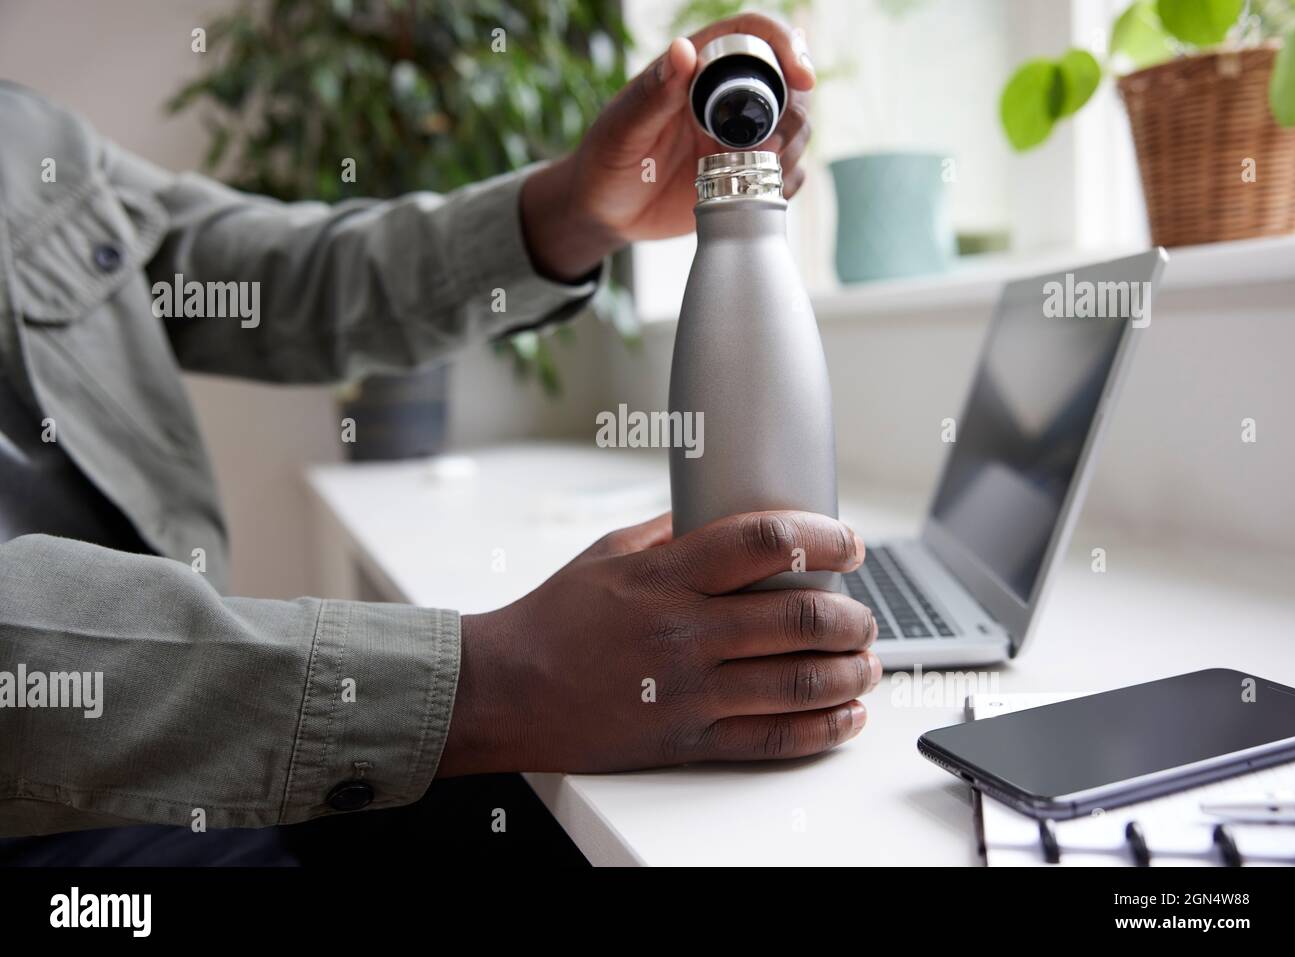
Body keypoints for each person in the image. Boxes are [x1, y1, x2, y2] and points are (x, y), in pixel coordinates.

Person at [0, 13, 879, 863]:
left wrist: (577, 206)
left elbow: (274, 272)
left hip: (210, 748)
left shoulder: (25, 134)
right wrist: (495, 678)